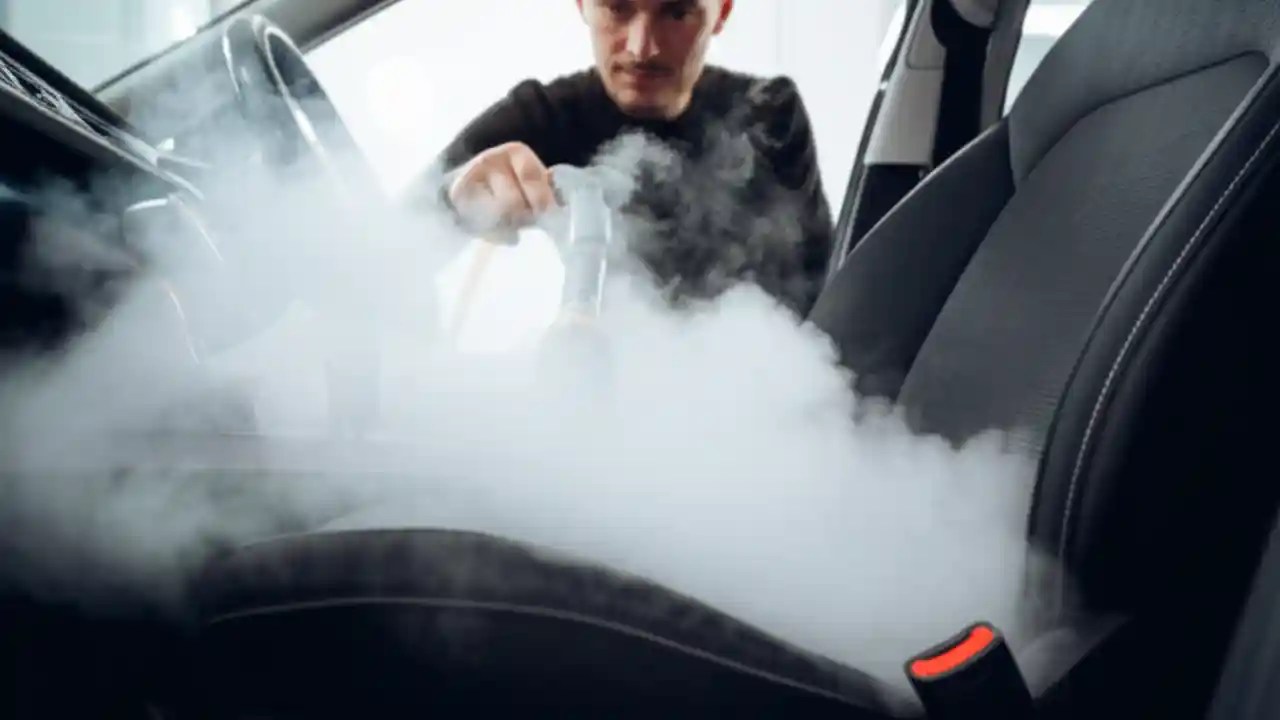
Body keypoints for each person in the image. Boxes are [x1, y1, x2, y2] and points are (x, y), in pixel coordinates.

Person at [423, 0, 835, 317]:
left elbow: (822, 292)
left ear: (721, 12)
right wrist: (454, 199)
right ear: (583, 3)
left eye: (676, 12)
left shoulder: (770, 114)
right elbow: (392, 245)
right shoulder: (543, 116)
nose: (642, 48)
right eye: (618, 8)